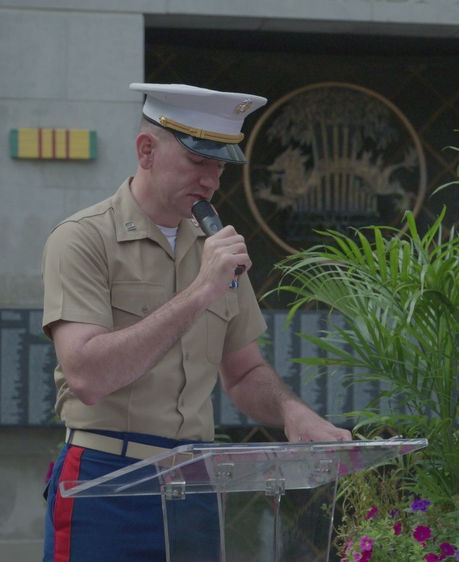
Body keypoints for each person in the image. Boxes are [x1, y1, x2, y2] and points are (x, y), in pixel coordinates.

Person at [41, 82, 352, 562]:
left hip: (195, 483)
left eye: (220, 166)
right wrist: (201, 290)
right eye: (196, 161)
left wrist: (292, 411)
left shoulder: (218, 248)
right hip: (106, 478)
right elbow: (86, 377)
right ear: (146, 150)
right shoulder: (83, 240)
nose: (211, 179)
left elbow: (244, 372)